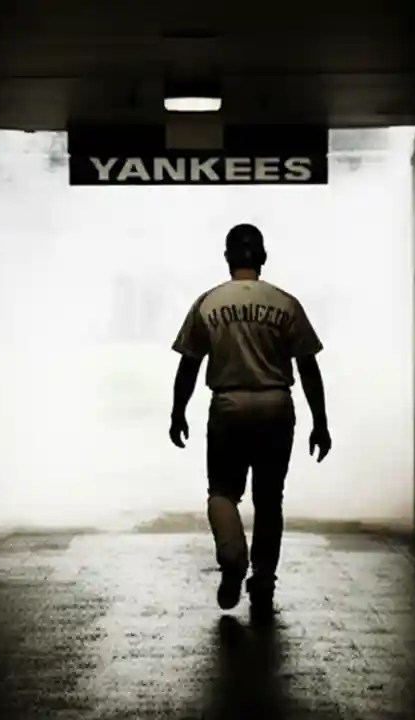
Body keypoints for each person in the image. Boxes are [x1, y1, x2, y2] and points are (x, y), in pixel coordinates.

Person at [168, 222, 332, 619]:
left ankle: (232, 556)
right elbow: (308, 367)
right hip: (277, 406)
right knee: (269, 499)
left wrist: (178, 412)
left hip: (228, 406)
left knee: (223, 491)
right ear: (262, 257)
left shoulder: (208, 303)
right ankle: (263, 579)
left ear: (227, 258)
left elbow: (189, 364)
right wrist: (321, 421)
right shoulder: (285, 303)